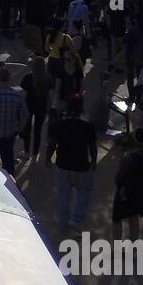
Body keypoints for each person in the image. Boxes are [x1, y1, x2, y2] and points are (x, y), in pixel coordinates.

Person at [51, 96, 97, 232]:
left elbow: (52, 144)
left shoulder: (60, 125)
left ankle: (62, 224)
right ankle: (76, 219)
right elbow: (93, 147)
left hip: (62, 165)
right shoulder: (88, 127)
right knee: (84, 191)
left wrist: (48, 158)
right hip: (81, 166)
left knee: (62, 196)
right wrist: (93, 161)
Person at [112, 128, 143, 241]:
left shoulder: (128, 158)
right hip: (141, 190)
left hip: (126, 191)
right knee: (134, 219)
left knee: (117, 219)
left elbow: (120, 177)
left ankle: (117, 247)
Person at [19, 54, 51, 161]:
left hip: (29, 105)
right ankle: (35, 154)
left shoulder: (28, 77)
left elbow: (23, 93)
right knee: (38, 131)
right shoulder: (47, 77)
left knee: (27, 130)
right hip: (42, 105)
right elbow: (49, 94)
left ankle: (27, 152)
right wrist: (49, 106)